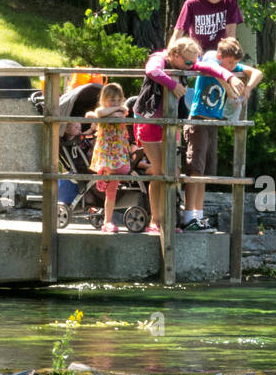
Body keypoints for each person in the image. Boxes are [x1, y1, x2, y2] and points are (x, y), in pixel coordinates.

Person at [136, 36, 243, 235]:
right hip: (149, 121)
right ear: (175, 55)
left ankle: (170, 220)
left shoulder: (187, 61)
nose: (190, 66)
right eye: (187, 63)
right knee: (159, 170)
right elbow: (152, 71)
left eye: (192, 63)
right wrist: (172, 84)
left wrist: (230, 77)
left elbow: (210, 68)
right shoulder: (160, 58)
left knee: (174, 172)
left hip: (169, 125)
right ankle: (155, 220)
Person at [181, 37, 263, 230]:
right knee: (195, 169)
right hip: (198, 120)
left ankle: (198, 215)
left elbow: (257, 72)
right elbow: (215, 71)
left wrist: (248, 87)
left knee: (206, 172)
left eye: (235, 63)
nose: (233, 67)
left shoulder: (228, 66)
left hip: (213, 123)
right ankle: (188, 216)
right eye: (230, 63)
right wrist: (228, 83)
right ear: (220, 56)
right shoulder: (210, 59)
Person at [89, 83, 131, 233]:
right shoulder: (102, 111)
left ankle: (104, 178)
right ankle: (107, 221)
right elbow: (99, 113)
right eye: (112, 100)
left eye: (118, 100)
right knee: (111, 190)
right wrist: (113, 111)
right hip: (107, 154)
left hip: (117, 154)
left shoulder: (121, 110)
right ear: (104, 100)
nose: (116, 103)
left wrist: (114, 110)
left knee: (118, 178)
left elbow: (121, 113)